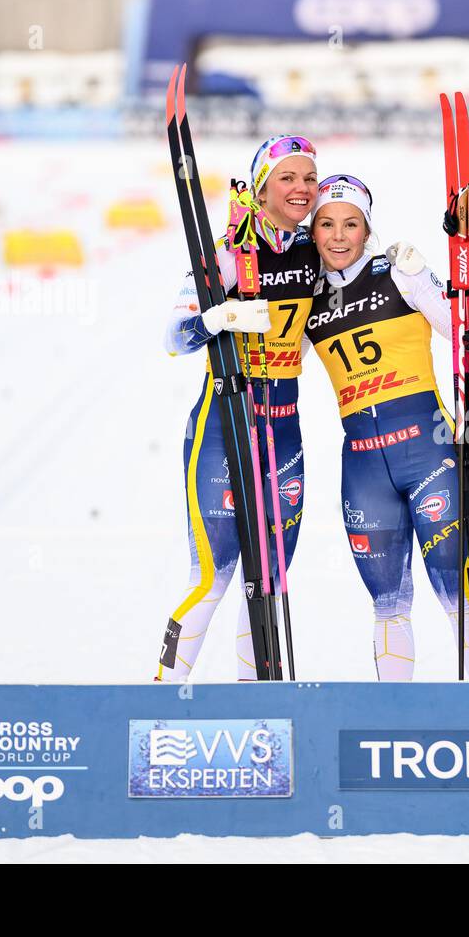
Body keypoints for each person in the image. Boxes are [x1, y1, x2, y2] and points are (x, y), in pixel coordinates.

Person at [306, 174, 469, 680]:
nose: (337, 236)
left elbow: (460, 328)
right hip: (364, 469)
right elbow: (274, 361)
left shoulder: (399, 271)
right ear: (312, 234)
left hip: (428, 453)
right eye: (326, 225)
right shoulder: (307, 298)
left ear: (366, 229)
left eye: (350, 224)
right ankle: (395, 712)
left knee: (454, 586)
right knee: (387, 601)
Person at [155, 135, 320, 681]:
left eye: (308, 179)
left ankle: (257, 706)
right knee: (216, 573)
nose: (300, 189)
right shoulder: (227, 253)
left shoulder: (316, 250)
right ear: (262, 185)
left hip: (284, 427)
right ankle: (160, 695)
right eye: (287, 178)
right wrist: (223, 318)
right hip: (225, 422)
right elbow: (175, 337)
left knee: (270, 576)